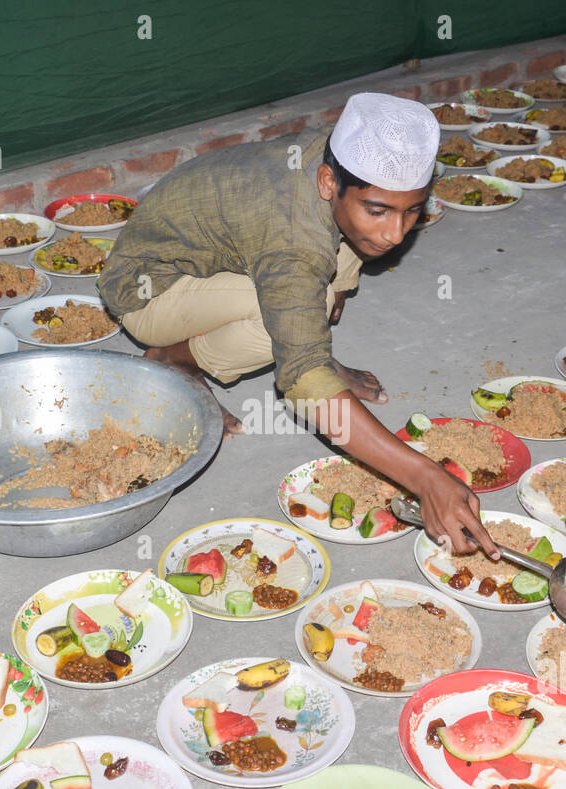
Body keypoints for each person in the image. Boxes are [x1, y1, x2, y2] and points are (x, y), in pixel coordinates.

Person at [98, 92, 496, 556]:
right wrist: (426, 478)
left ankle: (307, 331)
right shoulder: (293, 236)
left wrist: (315, 338)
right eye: (379, 210)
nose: (397, 233)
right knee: (288, 323)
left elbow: (341, 248)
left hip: (231, 257)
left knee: (326, 280)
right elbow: (301, 378)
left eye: (412, 210)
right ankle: (175, 357)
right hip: (148, 289)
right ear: (329, 182)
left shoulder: (335, 158)